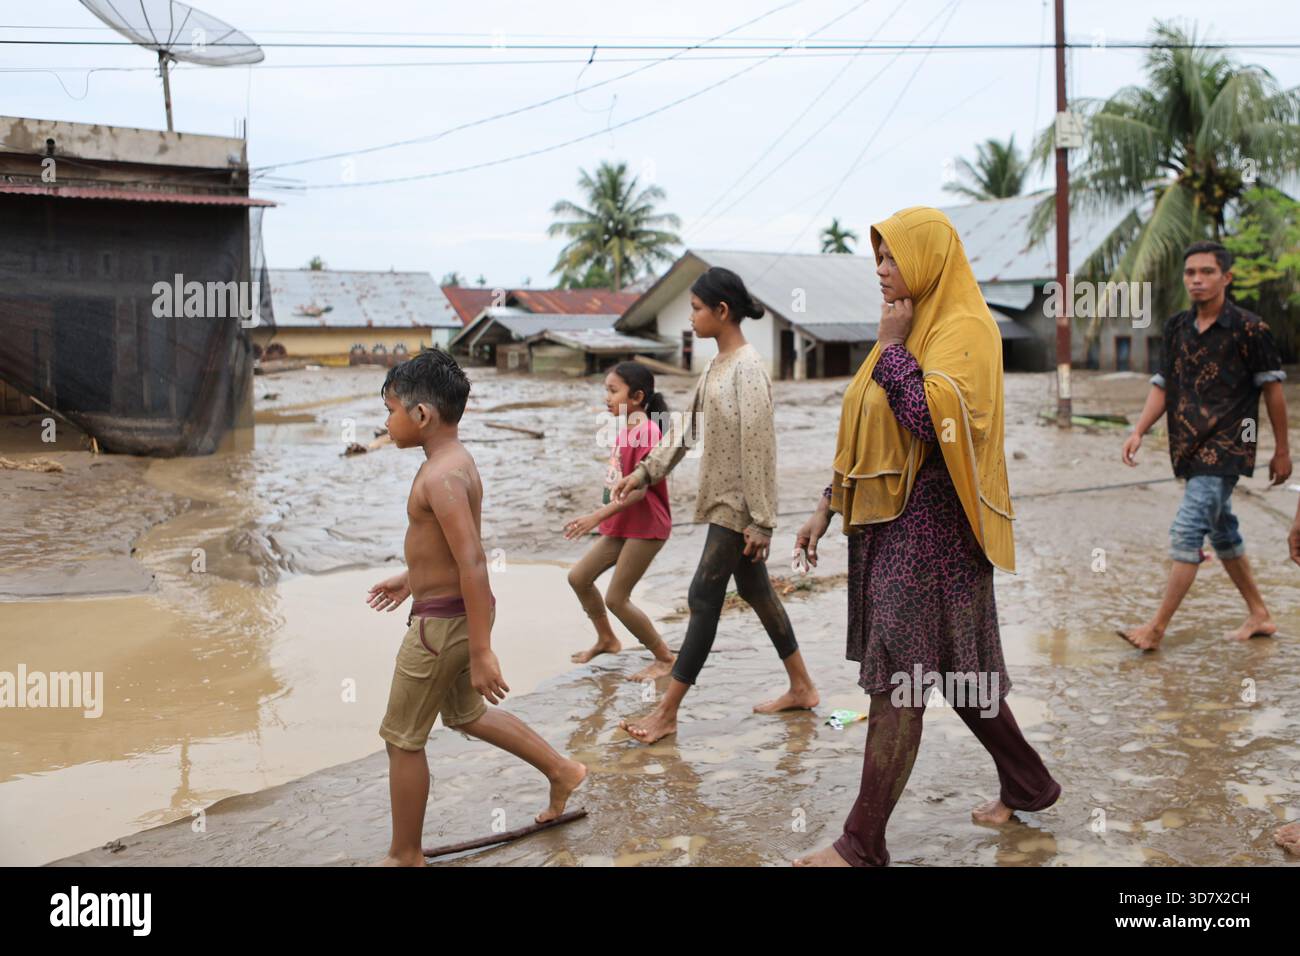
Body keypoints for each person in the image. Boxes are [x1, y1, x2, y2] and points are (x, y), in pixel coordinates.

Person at [792, 207, 1060, 867]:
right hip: (896, 531)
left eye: (892, 258)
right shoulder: (914, 328)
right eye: (877, 260)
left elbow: (931, 427)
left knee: (901, 681)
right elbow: (868, 428)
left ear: (927, 259)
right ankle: (1029, 782)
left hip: (937, 538)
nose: (882, 272)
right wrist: (828, 504)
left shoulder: (963, 330)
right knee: (954, 672)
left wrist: (890, 349)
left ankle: (862, 843)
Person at [365, 348, 587, 866]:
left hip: (440, 628)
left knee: (401, 739)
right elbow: (449, 549)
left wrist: (484, 650)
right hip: (455, 614)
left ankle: (405, 855)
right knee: (465, 713)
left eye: (390, 409)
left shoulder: (439, 477)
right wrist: (410, 578)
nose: (386, 421)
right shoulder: (454, 462)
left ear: (422, 415)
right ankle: (562, 771)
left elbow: (472, 558)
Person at [611, 266, 819, 743]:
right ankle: (803, 685)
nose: (691, 318)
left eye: (697, 309)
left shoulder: (748, 370)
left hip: (737, 509)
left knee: (703, 597)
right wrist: (643, 473)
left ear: (722, 312)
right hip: (727, 504)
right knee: (756, 592)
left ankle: (666, 712)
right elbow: (685, 429)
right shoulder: (715, 367)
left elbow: (759, 448)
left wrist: (763, 521)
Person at [1118, 240, 1290, 651]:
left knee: (1187, 532)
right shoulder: (1177, 326)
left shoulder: (1250, 329)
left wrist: (1282, 450)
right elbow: (1164, 385)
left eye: (1207, 272)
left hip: (1230, 447)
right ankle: (1260, 614)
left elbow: (1274, 392)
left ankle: (1155, 629)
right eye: (1190, 272)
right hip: (1188, 448)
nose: (1197, 279)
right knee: (1222, 530)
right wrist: (1139, 429)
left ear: (1226, 277)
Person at [564, 361, 677, 681]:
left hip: (647, 527)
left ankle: (664, 657)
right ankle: (607, 639)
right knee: (578, 577)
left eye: (614, 391)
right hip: (623, 524)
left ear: (638, 396)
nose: (607, 398)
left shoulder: (648, 432)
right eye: (606, 390)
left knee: (616, 598)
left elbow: (639, 492)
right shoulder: (627, 427)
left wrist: (594, 517)